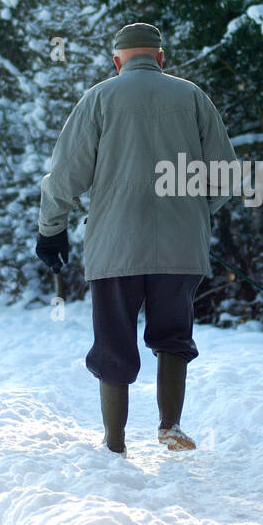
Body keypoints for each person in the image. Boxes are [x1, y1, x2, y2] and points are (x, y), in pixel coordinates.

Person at [35, 23, 238, 457]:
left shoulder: (99, 99)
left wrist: (51, 230)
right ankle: (170, 425)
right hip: (180, 249)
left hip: (115, 246)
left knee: (114, 343)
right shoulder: (192, 97)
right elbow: (225, 176)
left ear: (117, 62)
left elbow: (65, 175)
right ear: (161, 58)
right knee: (173, 338)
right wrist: (194, 215)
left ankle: (115, 444)